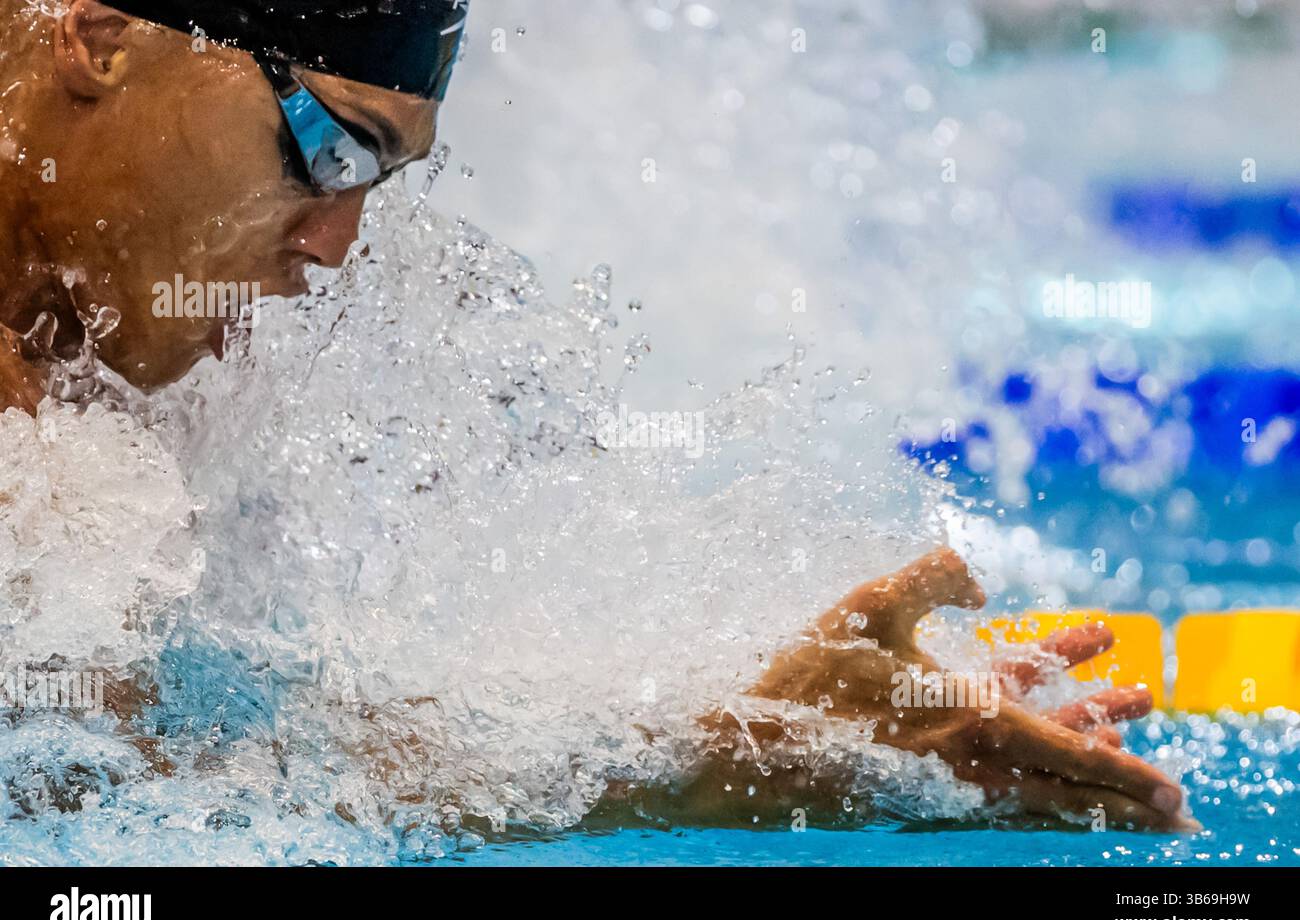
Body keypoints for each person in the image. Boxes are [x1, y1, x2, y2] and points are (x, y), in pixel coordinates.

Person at [0, 0, 1197, 833]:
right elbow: (103, 811)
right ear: (101, 41)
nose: (335, 245)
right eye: (328, 147)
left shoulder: (96, 352)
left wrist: (745, 714)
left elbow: (152, 754)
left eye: (377, 181)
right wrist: (709, 766)